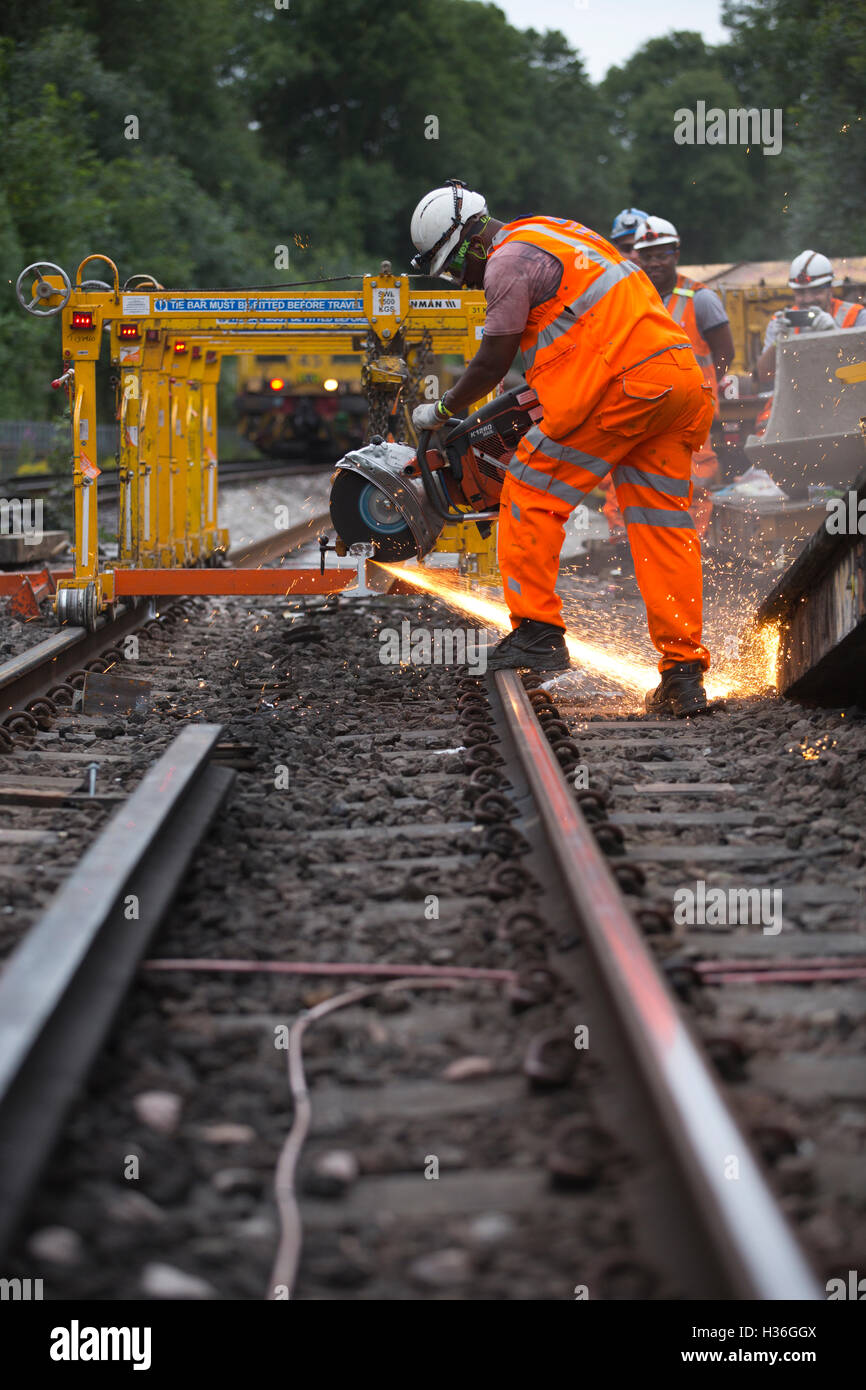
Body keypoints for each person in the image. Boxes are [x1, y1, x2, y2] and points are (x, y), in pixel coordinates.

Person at [409, 180, 716, 716]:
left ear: (468, 241)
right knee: (660, 525)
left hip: (623, 387)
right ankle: (684, 673)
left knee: (528, 488)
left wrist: (444, 410)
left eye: (456, 267)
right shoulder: (554, 234)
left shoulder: (504, 261)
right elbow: (566, 337)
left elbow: (493, 359)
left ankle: (537, 631)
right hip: (678, 385)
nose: (462, 280)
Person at [604, 216, 733, 539]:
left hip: (690, 417)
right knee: (626, 487)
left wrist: (706, 395)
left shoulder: (699, 299)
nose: (654, 262)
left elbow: (724, 353)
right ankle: (627, 551)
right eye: (647, 255)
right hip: (639, 412)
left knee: (692, 485)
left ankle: (689, 548)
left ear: (675, 253)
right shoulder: (628, 297)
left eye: (661, 254)